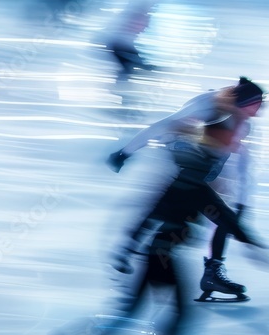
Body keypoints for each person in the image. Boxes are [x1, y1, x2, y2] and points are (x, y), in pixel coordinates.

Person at [7, 117, 264, 335]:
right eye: (233, 138)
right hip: (161, 257)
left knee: (127, 321)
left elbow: (160, 209)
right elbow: (220, 215)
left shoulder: (191, 173)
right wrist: (254, 244)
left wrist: (128, 247)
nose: (237, 144)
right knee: (173, 318)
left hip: (157, 254)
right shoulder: (196, 175)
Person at [107, 76, 263, 301]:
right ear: (244, 102)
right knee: (177, 202)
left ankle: (211, 270)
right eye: (257, 106)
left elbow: (243, 164)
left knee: (214, 209)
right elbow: (163, 126)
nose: (258, 113)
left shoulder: (241, 122)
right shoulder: (205, 105)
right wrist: (126, 151)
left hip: (204, 159)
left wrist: (243, 201)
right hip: (180, 155)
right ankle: (129, 249)